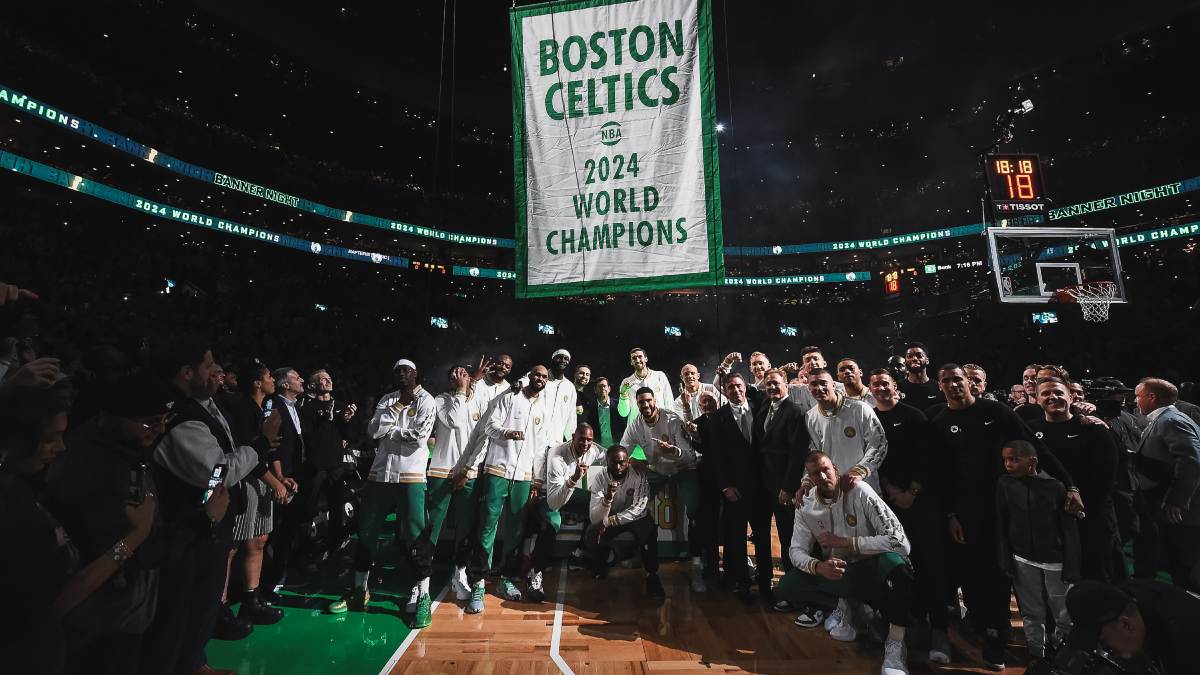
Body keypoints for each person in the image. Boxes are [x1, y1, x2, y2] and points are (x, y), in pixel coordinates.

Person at [0, 385, 164, 675]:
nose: (61, 447)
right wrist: (136, 536)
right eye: (50, 438)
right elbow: (57, 602)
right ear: (14, 440)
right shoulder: (18, 514)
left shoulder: (21, 488)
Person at [929, 363, 1083, 672]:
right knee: (974, 576)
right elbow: (940, 476)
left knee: (1000, 577)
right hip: (966, 513)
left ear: (969, 383)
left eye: (957, 379)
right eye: (946, 381)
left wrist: (1070, 484)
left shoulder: (996, 412)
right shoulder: (939, 421)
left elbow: (1035, 446)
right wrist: (951, 514)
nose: (953, 385)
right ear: (940, 386)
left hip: (1007, 510)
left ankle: (1001, 640)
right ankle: (981, 629)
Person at [145, 338, 274, 675]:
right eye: (208, 365)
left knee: (202, 605)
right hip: (189, 529)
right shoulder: (179, 416)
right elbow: (217, 472)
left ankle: (194, 663)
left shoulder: (205, 402)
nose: (217, 370)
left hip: (209, 525)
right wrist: (260, 443)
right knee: (183, 608)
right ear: (187, 372)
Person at [40, 373, 175, 673]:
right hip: (99, 618)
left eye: (165, 418)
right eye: (151, 420)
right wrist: (144, 535)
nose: (161, 429)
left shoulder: (124, 448)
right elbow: (108, 557)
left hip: (120, 613)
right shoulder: (90, 466)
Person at [775, 451, 912, 675]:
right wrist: (818, 566)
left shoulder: (860, 491)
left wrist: (848, 542)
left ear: (835, 469)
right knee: (788, 585)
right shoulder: (806, 505)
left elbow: (901, 542)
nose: (822, 476)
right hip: (843, 570)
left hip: (873, 564)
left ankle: (896, 644)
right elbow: (796, 550)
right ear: (809, 478)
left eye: (825, 469)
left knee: (899, 568)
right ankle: (848, 607)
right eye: (815, 474)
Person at [329, 359, 436, 629]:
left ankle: (423, 593)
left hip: (411, 477)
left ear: (415, 373)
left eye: (407, 370)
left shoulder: (427, 400)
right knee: (366, 532)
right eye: (397, 370)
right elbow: (373, 431)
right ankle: (358, 590)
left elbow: (420, 436)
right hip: (379, 476)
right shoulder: (388, 399)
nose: (401, 374)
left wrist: (391, 431)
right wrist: (398, 407)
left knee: (415, 535)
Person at [869, 368, 949, 664]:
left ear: (895, 387)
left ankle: (939, 628)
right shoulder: (871, 418)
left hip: (921, 501)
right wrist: (891, 490)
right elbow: (875, 457)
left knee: (931, 564)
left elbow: (927, 459)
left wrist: (911, 492)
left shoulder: (915, 416)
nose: (880, 388)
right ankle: (904, 623)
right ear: (870, 388)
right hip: (891, 503)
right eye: (875, 384)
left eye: (885, 384)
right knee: (899, 565)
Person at [455, 364, 549, 613]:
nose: (539, 378)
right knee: (487, 525)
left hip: (524, 476)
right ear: (529, 376)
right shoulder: (509, 396)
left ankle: (506, 578)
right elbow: (489, 427)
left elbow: (540, 450)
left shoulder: (542, 407)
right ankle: (478, 584)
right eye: (536, 374)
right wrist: (507, 433)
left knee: (516, 530)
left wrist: (537, 482)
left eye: (544, 376)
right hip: (497, 469)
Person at [1029, 377, 1124, 582]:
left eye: (1058, 392)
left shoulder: (1094, 429)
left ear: (1071, 397)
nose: (1053, 397)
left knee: (1097, 573)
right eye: (1045, 393)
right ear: (1036, 400)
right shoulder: (1030, 430)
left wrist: (1081, 505)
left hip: (1091, 515)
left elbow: (1107, 476)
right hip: (1050, 517)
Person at [218, 360, 287, 634]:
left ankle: (251, 600)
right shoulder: (243, 409)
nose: (274, 380)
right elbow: (249, 454)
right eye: (270, 375)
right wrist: (274, 481)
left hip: (262, 481)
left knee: (258, 541)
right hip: (245, 482)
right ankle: (219, 608)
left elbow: (266, 453)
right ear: (257, 383)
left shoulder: (262, 410)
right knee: (233, 546)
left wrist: (279, 478)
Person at [995, 440, 1080, 659]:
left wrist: (1071, 565)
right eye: (1005, 459)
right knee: (1031, 611)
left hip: (1055, 560)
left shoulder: (1055, 487)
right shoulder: (1005, 484)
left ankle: (1063, 657)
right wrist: (1005, 556)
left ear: (1032, 461)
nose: (1008, 464)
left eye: (1014, 459)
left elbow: (1069, 530)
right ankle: (1036, 656)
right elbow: (1002, 521)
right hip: (1021, 558)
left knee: (1063, 612)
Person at [621, 385, 703, 592]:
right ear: (637, 404)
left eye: (648, 400)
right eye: (641, 402)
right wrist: (631, 459)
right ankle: (643, 554)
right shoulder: (636, 424)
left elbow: (689, 455)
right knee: (636, 507)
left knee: (695, 510)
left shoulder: (672, 419)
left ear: (655, 400)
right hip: (657, 471)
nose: (645, 405)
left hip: (683, 468)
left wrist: (671, 450)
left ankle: (697, 564)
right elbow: (622, 450)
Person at [1133, 377, 1200, 590]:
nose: (1135, 401)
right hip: (1166, 506)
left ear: (1152, 397)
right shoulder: (1164, 419)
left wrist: (1176, 500)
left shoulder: (1171, 420)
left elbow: (1190, 461)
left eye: (1138, 396)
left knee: (1182, 562)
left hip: (1178, 511)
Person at [751, 369, 809, 608]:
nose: (772, 388)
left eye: (776, 383)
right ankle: (765, 585)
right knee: (762, 538)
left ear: (786, 384)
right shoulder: (765, 407)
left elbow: (797, 455)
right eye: (768, 385)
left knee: (787, 538)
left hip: (782, 486)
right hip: (761, 485)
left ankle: (791, 590)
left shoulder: (796, 412)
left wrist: (788, 487)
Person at [532, 422, 606, 601]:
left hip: (568, 491)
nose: (586, 444)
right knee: (552, 524)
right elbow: (555, 501)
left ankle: (581, 553)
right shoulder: (557, 456)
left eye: (589, 440)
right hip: (549, 495)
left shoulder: (592, 450)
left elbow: (608, 454)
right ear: (572, 438)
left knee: (598, 505)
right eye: (581, 439)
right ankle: (536, 575)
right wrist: (574, 479)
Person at [707, 372, 764, 601]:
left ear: (745, 387)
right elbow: (716, 457)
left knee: (761, 537)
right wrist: (725, 486)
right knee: (736, 538)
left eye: (739, 386)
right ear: (725, 390)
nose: (735, 390)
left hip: (761, 486)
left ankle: (765, 581)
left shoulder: (761, 408)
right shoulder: (718, 417)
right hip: (735, 489)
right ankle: (742, 583)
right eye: (730, 387)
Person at [1064, 579, 1200, 675]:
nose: (1104, 651)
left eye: (1106, 646)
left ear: (1126, 625)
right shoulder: (1127, 596)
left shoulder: (1186, 643)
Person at [427, 366, 480, 601]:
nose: (461, 378)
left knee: (465, 528)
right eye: (456, 374)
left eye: (464, 374)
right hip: (441, 470)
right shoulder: (440, 400)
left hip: (468, 472)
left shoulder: (477, 401)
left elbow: (481, 437)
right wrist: (461, 391)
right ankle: (422, 581)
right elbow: (456, 421)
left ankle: (459, 575)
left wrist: (469, 470)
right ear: (450, 380)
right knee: (432, 528)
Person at [585, 445, 662, 598]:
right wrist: (607, 499)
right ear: (607, 462)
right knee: (591, 534)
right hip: (611, 515)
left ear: (628, 462)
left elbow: (638, 510)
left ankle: (652, 575)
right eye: (614, 462)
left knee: (648, 529)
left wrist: (608, 522)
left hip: (632, 518)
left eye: (622, 462)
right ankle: (602, 562)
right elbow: (594, 517)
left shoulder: (639, 475)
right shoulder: (600, 478)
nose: (618, 467)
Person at [298, 368, 357, 562]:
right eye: (323, 379)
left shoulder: (339, 405)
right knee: (308, 509)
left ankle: (334, 549)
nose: (328, 381)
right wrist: (325, 418)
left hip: (336, 466)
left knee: (337, 508)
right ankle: (304, 554)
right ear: (313, 385)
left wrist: (346, 420)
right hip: (315, 467)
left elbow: (348, 436)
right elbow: (308, 436)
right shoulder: (306, 406)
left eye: (329, 378)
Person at [259, 367, 306, 601]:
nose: (301, 380)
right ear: (284, 385)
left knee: (287, 532)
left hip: (293, 477)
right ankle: (268, 584)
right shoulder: (275, 405)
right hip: (281, 478)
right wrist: (278, 477)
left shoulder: (294, 407)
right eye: (296, 378)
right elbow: (273, 446)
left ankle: (279, 575)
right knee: (275, 533)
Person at [802, 368, 888, 495]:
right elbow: (814, 455)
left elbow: (879, 444)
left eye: (823, 383)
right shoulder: (810, 417)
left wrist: (859, 471)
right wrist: (807, 481)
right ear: (808, 388)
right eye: (814, 384)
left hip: (864, 485)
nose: (819, 388)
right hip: (833, 489)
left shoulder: (860, 409)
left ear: (833, 385)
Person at [617, 347, 673, 432]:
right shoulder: (626, 382)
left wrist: (670, 424)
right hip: (637, 431)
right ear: (631, 362)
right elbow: (623, 413)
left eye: (640, 356)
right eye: (634, 358)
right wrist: (623, 394)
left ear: (646, 358)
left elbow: (669, 402)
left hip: (660, 427)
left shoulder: (659, 376)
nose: (637, 360)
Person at [584, 377, 626, 449]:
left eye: (604, 386)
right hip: (598, 449)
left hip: (618, 447)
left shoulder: (619, 405)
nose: (602, 388)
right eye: (599, 387)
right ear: (595, 390)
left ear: (609, 389)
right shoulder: (590, 409)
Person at [898, 342, 942, 408]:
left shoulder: (938, 387)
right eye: (909, 356)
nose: (914, 359)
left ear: (927, 360)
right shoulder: (897, 388)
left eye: (919, 356)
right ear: (905, 362)